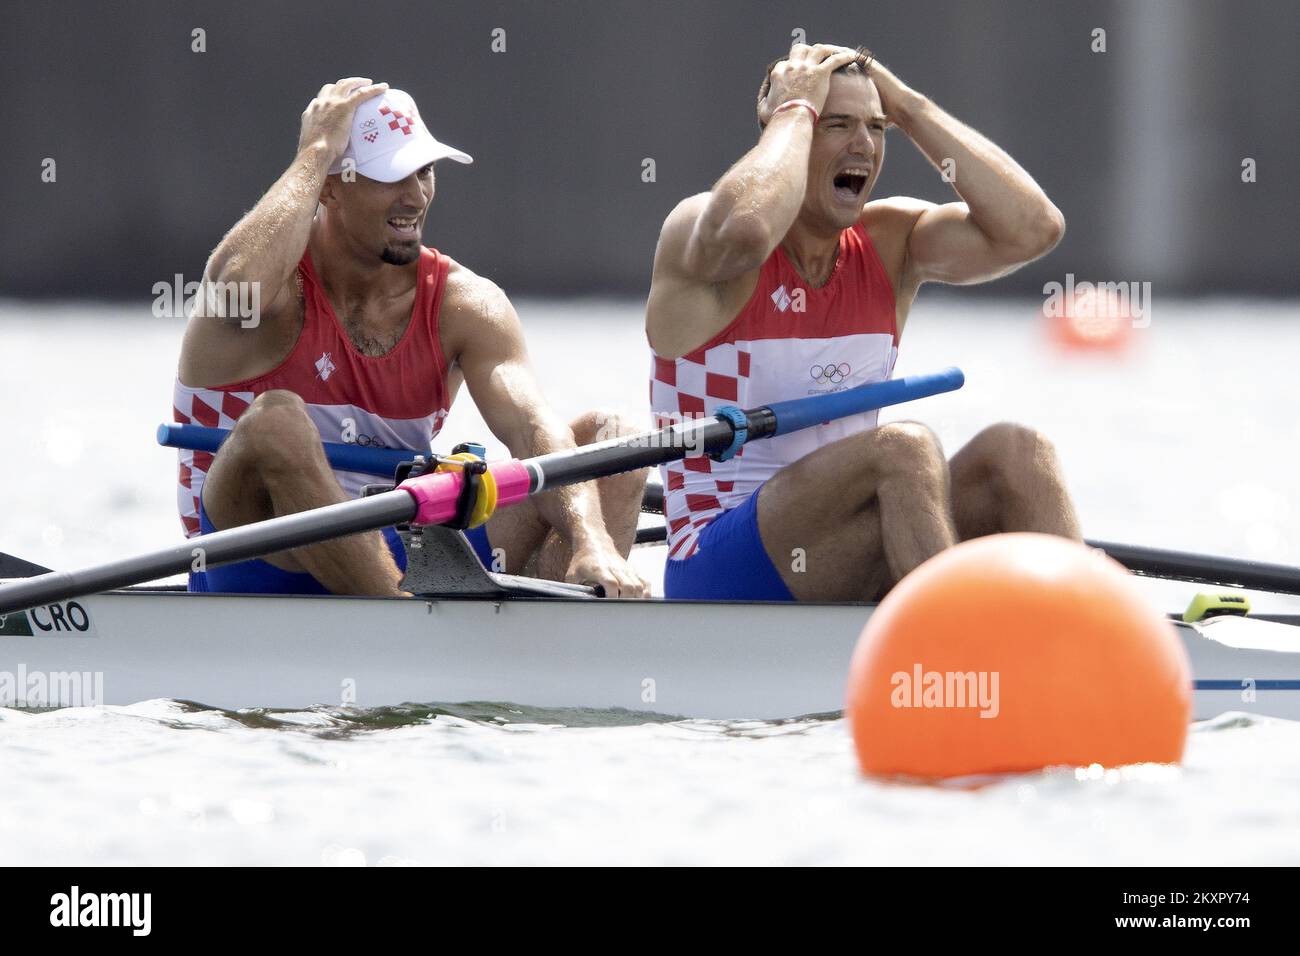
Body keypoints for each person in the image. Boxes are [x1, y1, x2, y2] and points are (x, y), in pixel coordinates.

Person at [175, 78, 648, 598]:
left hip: (401, 551)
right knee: (276, 420)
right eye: (392, 175)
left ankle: (544, 651)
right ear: (329, 185)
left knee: (612, 446)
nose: (416, 194)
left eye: (425, 171)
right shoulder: (268, 293)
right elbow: (230, 289)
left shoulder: (464, 306)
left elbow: (532, 425)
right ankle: (402, 620)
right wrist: (315, 150)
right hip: (255, 558)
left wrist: (591, 538)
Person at [646, 45, 1079, 602]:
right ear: (786, 127)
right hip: (715, 561)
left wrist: (910, 107)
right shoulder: (702, 233)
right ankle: (954, 651)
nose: (864, 146)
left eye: (877, 128)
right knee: (903, 449)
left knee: (1020, 452)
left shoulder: (891, 244)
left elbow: (1034, 229)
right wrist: (794, 107)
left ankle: (1088, 636)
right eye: (838, 124)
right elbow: (747, 229)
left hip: (840, 547)